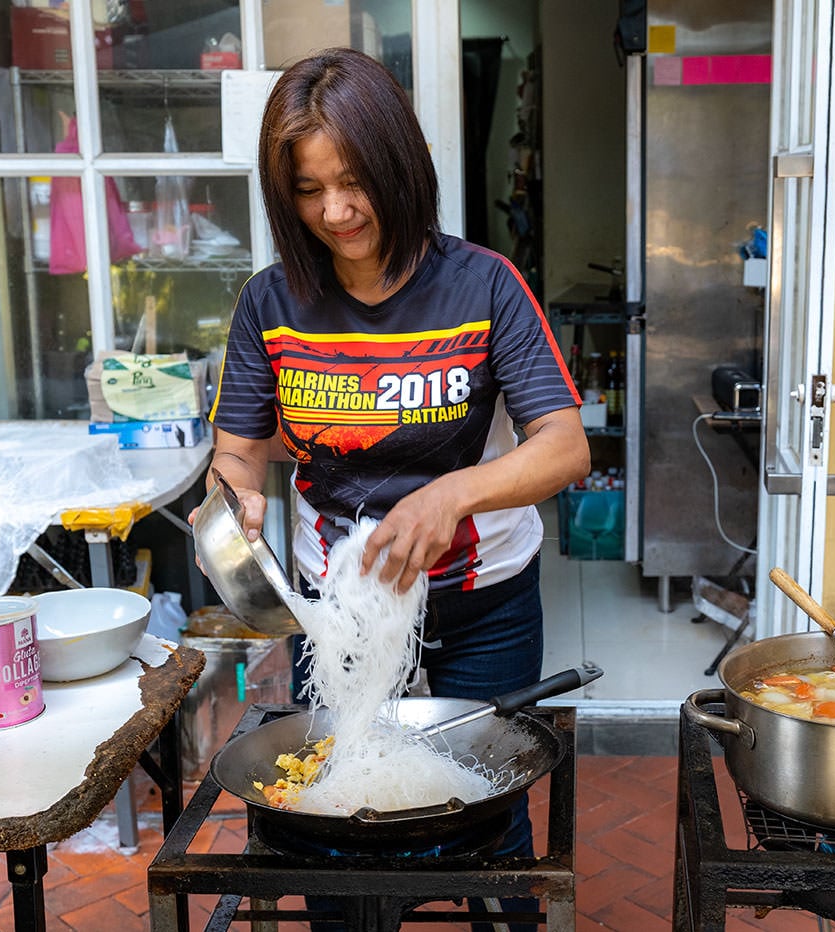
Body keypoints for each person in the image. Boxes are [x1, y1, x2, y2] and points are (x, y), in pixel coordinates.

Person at [194, 47, 589, 929]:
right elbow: (239, 454)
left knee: (490, 823)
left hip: (481, 604)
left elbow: (564, 448)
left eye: (354, 181)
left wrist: (451, 496)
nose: (334, 210)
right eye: (306, 189)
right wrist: (234, 502)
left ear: (399, 165)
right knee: (336, 816)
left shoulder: (483, 284)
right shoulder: (271, 303)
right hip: (335, 613)